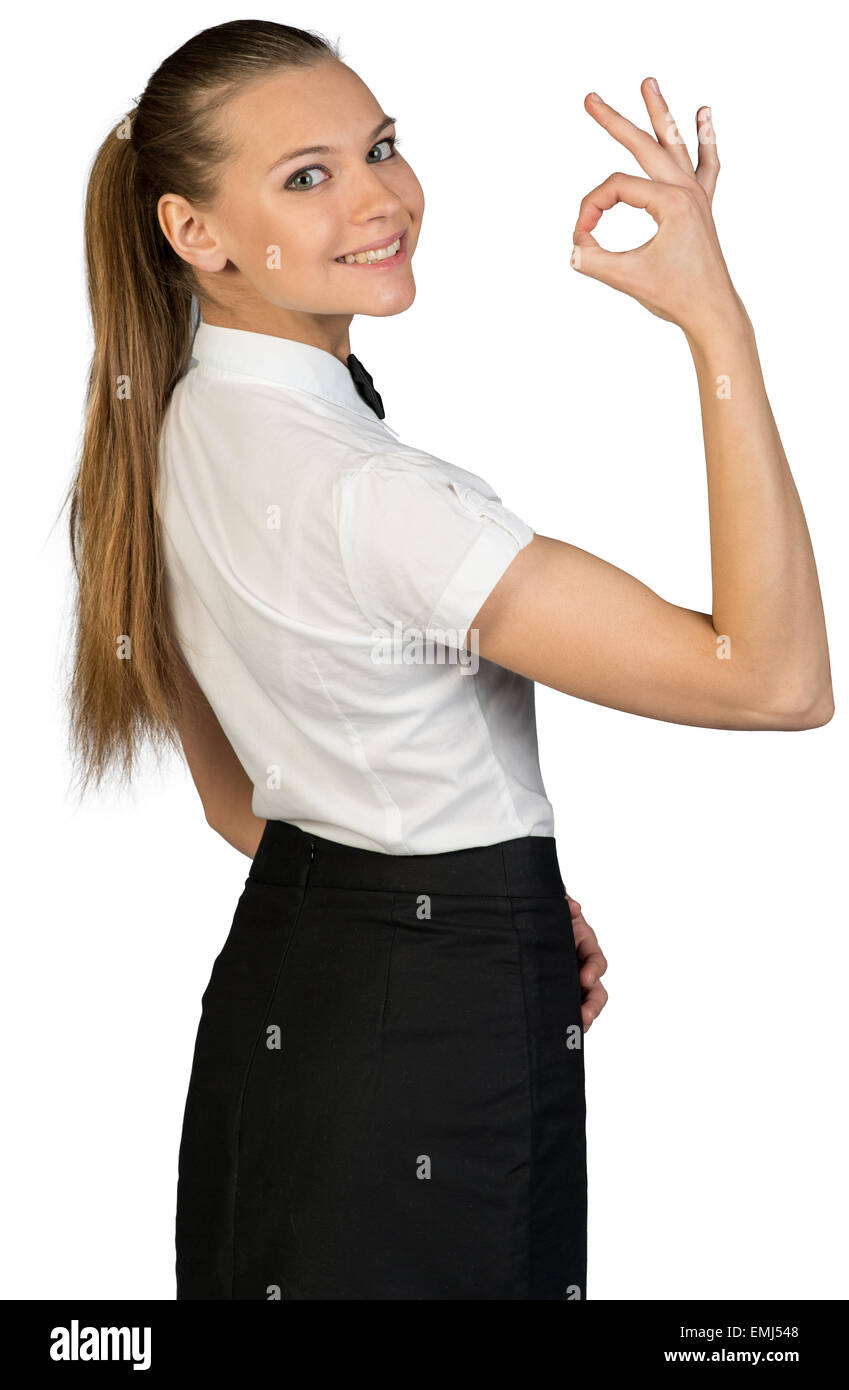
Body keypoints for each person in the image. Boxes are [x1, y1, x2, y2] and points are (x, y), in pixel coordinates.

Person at [65, 19, 832, 1301]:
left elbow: (238, 797)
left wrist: (481, 907)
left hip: (291, 1028)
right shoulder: (379, 499)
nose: (379, 199)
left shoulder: (162, 434)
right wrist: (716, 320)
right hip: (428, 1063)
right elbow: (775, 678)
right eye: (306, 176)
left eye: (381, 148)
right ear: (195, 232)